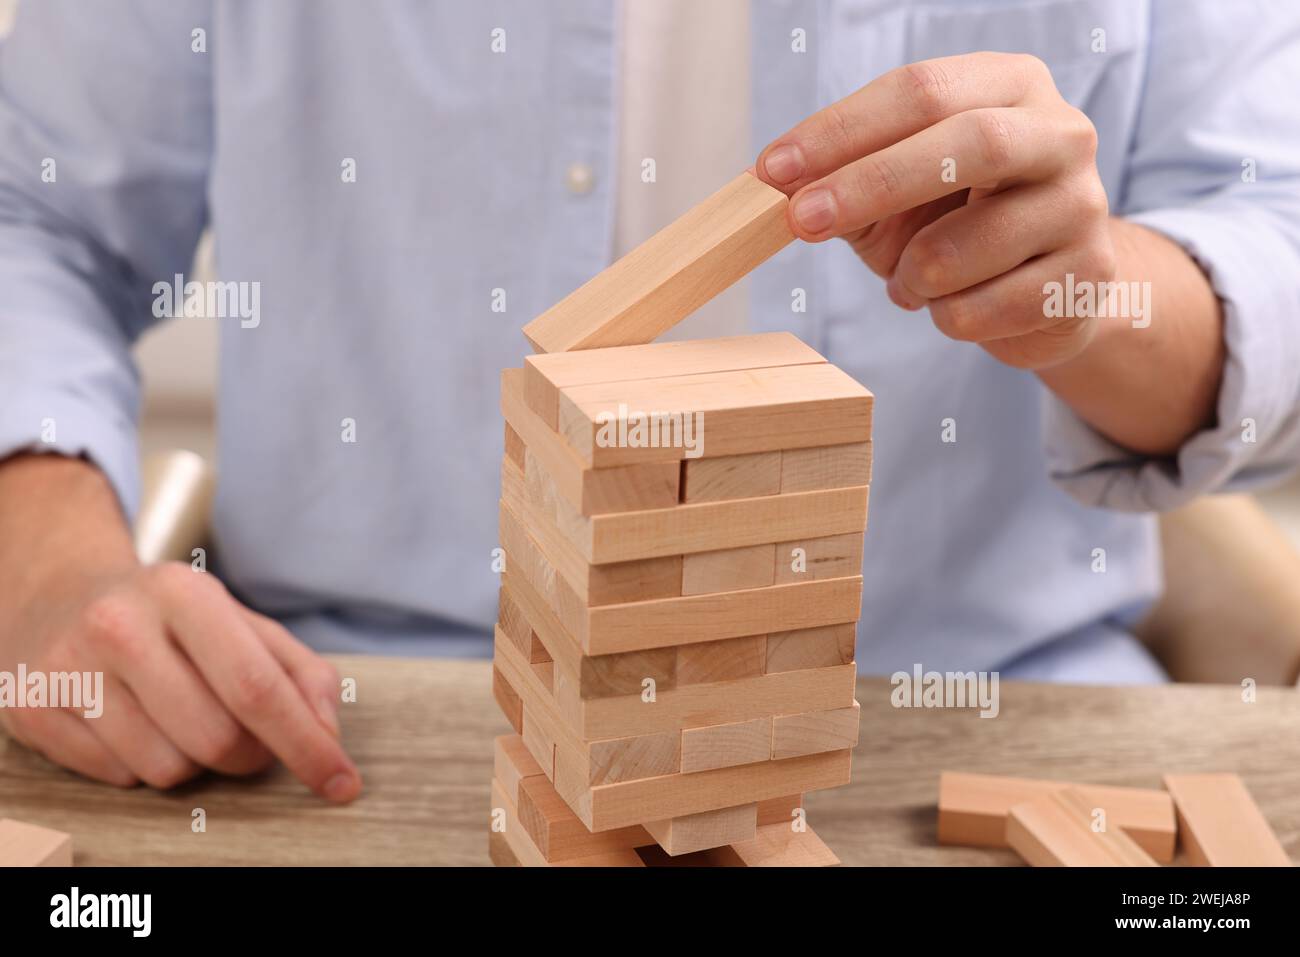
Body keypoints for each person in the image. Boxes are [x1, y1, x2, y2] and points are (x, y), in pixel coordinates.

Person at [1, 1, 1298, 801]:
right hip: (361, 711)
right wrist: (47, 565)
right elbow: (35, 212)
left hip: (975, 701)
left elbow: (1271, 236)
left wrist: (1098, 290)